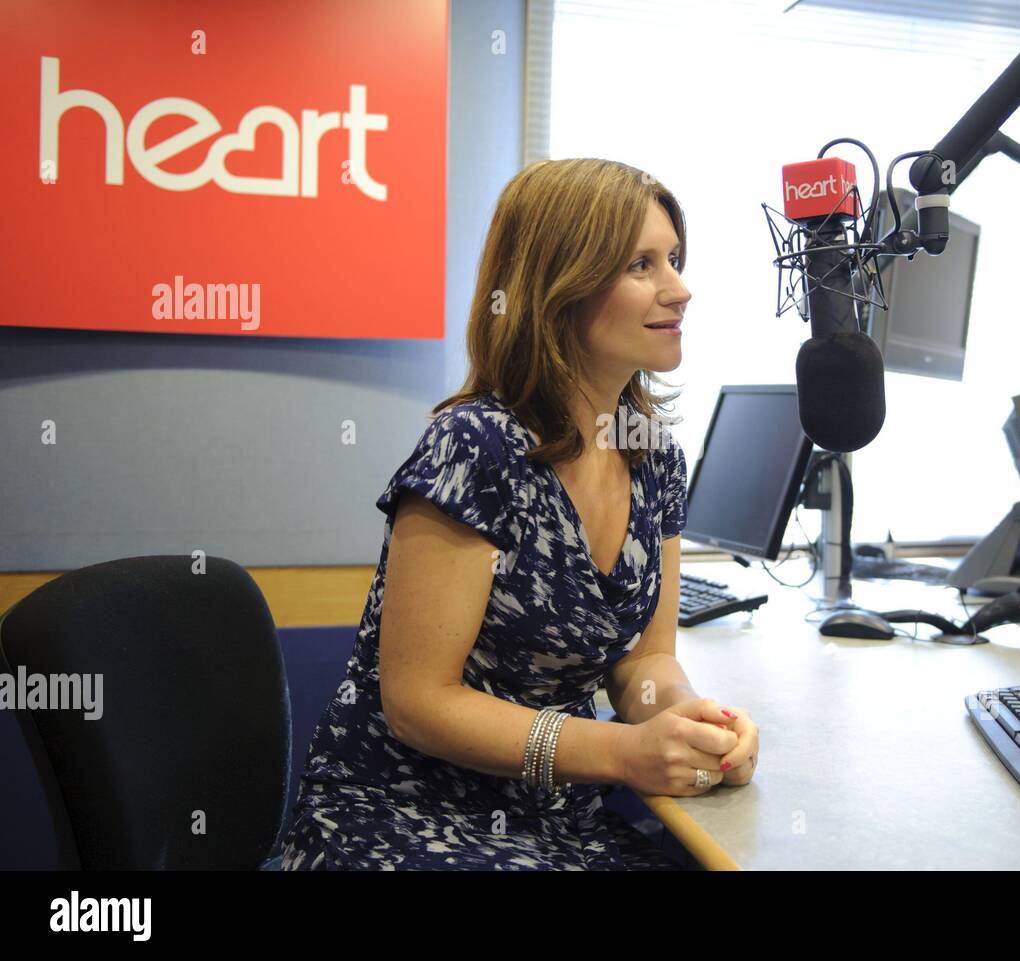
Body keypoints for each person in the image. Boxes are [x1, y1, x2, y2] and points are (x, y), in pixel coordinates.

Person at [280, 158, 760, 870]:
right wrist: (622, 752)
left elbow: (646, 660)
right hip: (405, 812)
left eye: (676, 260)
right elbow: (418, 700)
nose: (680, 289)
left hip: (555, 815)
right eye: (642, 264)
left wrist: (690, 719)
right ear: (556, 288)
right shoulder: (474, 446)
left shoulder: (654, 457)